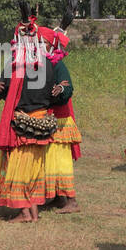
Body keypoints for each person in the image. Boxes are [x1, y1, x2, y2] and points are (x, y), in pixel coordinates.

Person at [0, 18, 63, 223]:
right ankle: (34, 212)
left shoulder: (14, 66)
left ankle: (24, 213)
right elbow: (52, 95)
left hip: (23, 125)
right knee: (35, 169)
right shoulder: (48, 64)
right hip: (42, 124)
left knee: (19, 168)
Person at [43, 26, 82, 212]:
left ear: (51, 46)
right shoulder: (40, 64)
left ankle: (71, 200)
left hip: (60, 121)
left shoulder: (57, 64)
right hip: (48, 119)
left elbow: (68, 87)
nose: (39, 46)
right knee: (50, 159)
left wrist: (61, 90)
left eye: (42, 43)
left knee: (61, 161)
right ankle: (58, 197)